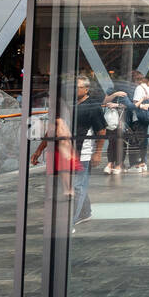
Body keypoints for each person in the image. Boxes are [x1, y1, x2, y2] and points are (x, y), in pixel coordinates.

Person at [32, 76, 105, 228]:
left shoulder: (93, 106)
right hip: (67, 152)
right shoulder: (68, 105)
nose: (73, 90)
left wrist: (97, 153)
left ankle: (70, 221)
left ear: (86, 89)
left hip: (83, 152)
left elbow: (101, 131)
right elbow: (53, 129)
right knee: (79, 185)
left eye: (77, 87)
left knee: (77, 186)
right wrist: (39, 149)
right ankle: (85, 212)